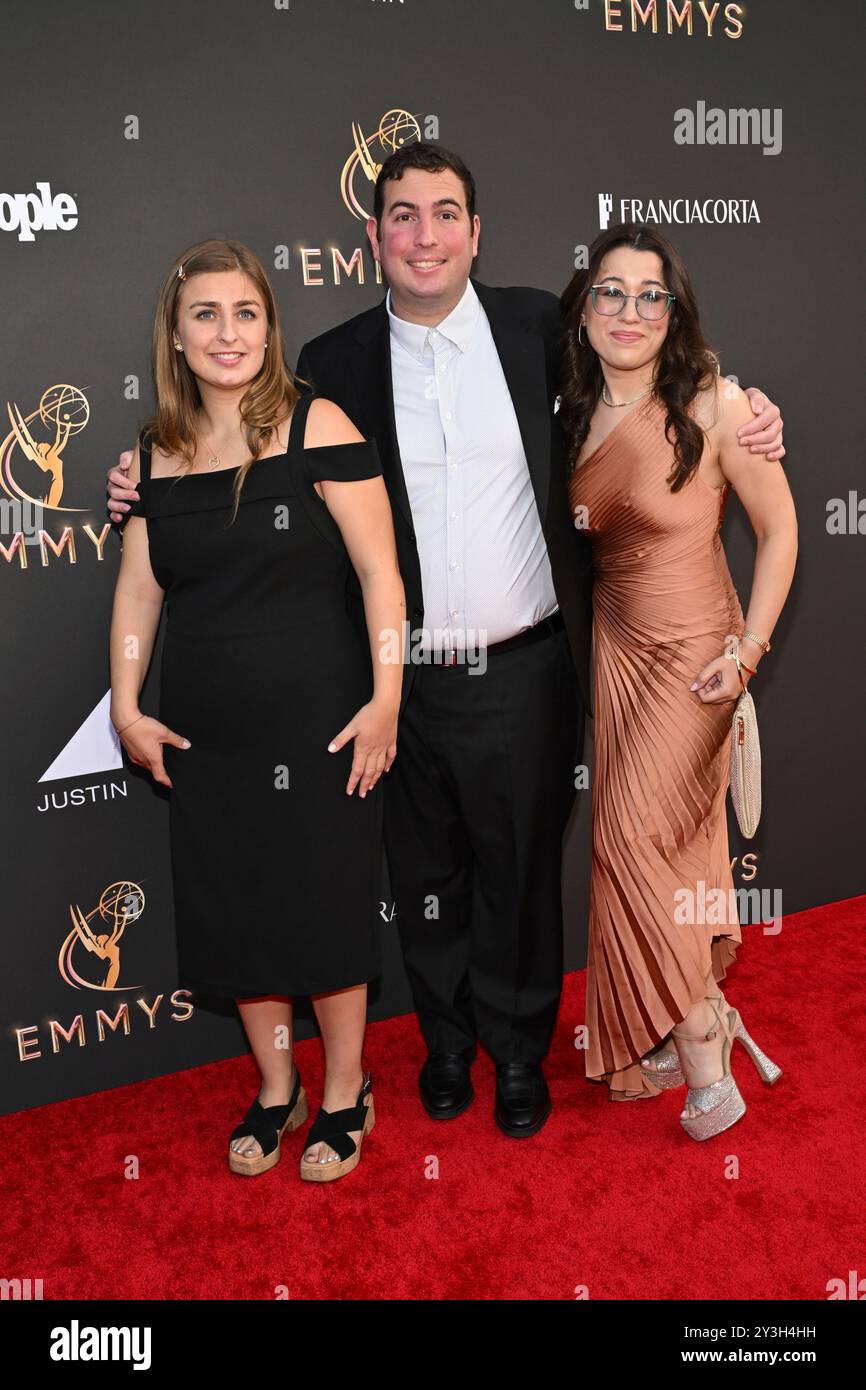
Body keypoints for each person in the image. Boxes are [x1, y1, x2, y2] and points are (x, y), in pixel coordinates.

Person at [107, 144, 785, 1139]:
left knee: (515, 878)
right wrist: (137, 487)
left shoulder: (540, 329)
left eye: (444, 213)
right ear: (372, 236)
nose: (423, 234)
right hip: (393, 679)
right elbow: (230, 445)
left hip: (524, 664)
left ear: (476, 231)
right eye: (402, 215)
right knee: (422, 881)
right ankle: (445, 1046)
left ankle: (517, 1053)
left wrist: (743, 402)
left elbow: (649, 366)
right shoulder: (328, 367)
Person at [109, 239, 405, 1180]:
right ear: (177, 334)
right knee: (240, 911)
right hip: (211, 730)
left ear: (270, 326)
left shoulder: (319, 425)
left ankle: (347, 1089)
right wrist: (125, 703)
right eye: (206, 314)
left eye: (245, 313)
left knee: (321, 908)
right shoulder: (155, 451)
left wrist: (388, 699)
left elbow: (381, 577)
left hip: (320, 723)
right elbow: (140, 592)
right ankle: (278, 1090)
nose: (227, 333)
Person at [561, 223, 796, 1138]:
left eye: (649, 295)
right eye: (611, 293)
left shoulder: (718, 405)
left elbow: (780, 535)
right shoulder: (566, 415)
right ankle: (694, 1018)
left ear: (674, 312)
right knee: (648, 851)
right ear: (584, 312)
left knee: (630, 841)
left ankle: (704, 1044)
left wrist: (748, 654)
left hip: (700, 655)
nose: (630, 311)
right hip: (616, 651)